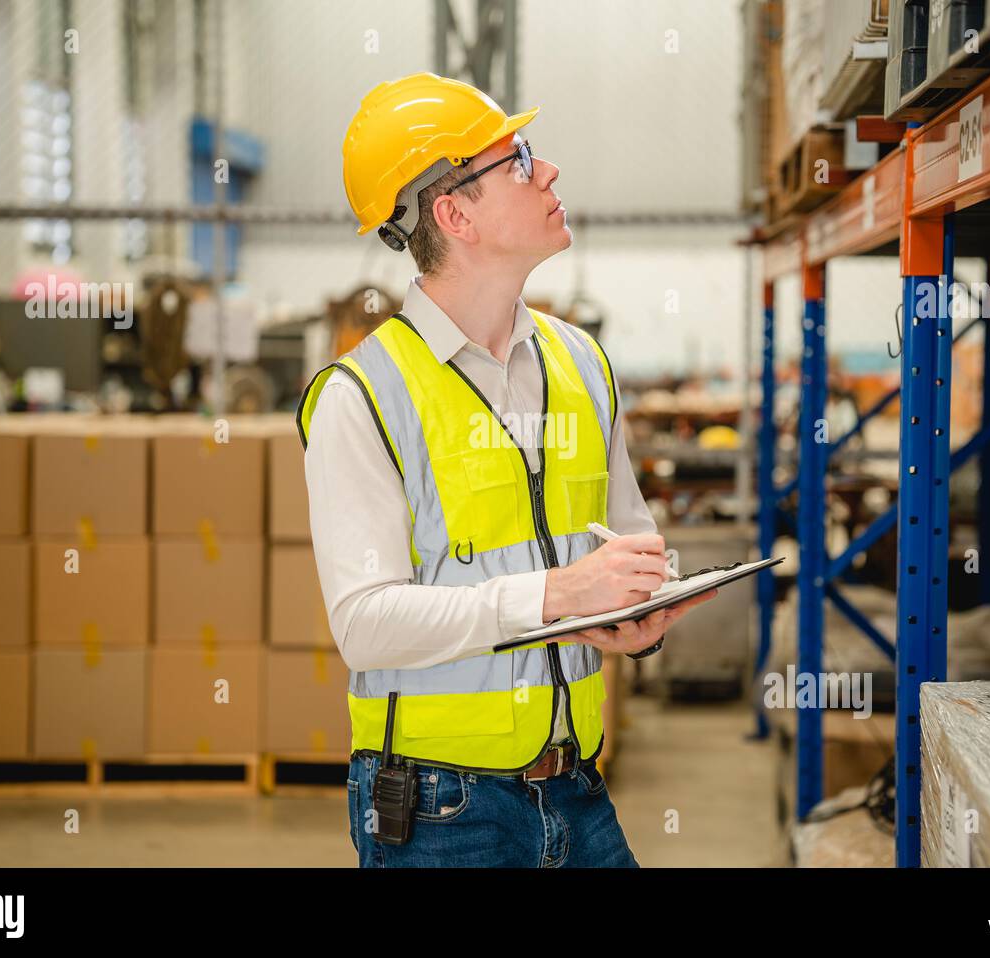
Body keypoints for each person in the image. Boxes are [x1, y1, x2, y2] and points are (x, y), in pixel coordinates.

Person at [297, 72, 716, 868]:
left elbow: (627, 536)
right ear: (454, 213)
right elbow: (364, 625)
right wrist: (560, 596)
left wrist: (637, 609)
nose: (548, 171)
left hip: (576, 787)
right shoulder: (362, 396)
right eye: (520, 159)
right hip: (438, 810)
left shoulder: (582, 363)